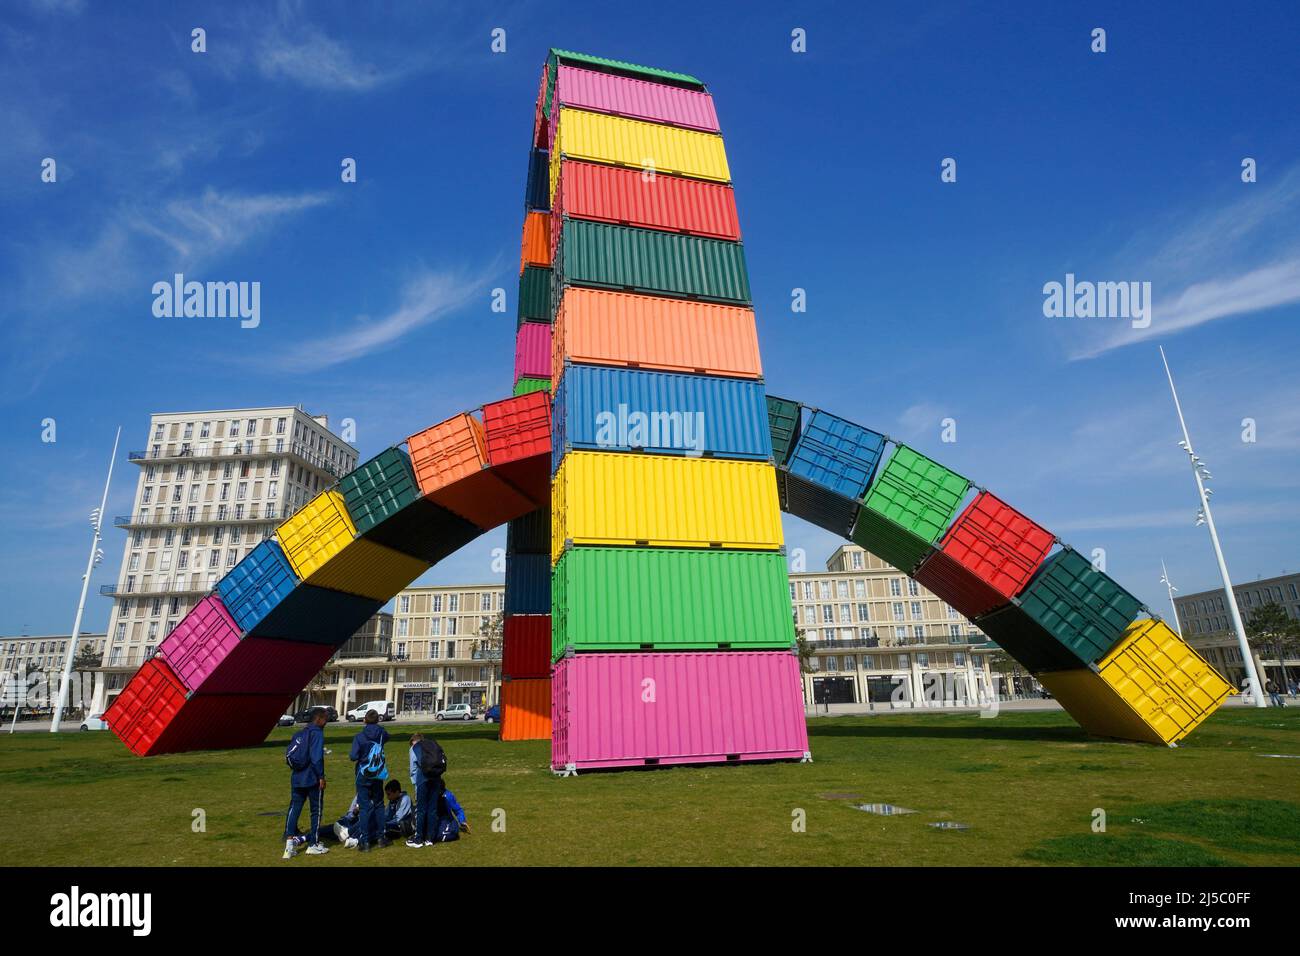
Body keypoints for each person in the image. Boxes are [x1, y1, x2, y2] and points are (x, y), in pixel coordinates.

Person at [283, 707, 329, 859]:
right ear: (319, 719)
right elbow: (316, 758)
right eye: (325, 719)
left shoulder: (300, 733)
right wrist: (321, 776)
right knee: (316, 810)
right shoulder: (317, 733)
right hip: (312, 778)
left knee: (295, 809)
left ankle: (289, 845)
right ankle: (313, 844)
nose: (327, 722)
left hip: (297, 777)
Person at [348, 709, 391, 852]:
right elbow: (387, 737)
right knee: (379, 805)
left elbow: (353, 756)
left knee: (364, 807)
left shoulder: (359, 737)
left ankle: (365, 841)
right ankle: (381, 837)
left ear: (364, 720)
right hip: (377, 773)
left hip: (363, 772)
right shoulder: (381, 734)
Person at [408, 732, 447, 849]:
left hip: (422, 779)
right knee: (432, 809)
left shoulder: (414, 749)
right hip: (436, 779)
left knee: (421, 809)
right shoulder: (433, 745)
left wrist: (415, 784)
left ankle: (419, 838)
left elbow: (413, 769)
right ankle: (430, 838)